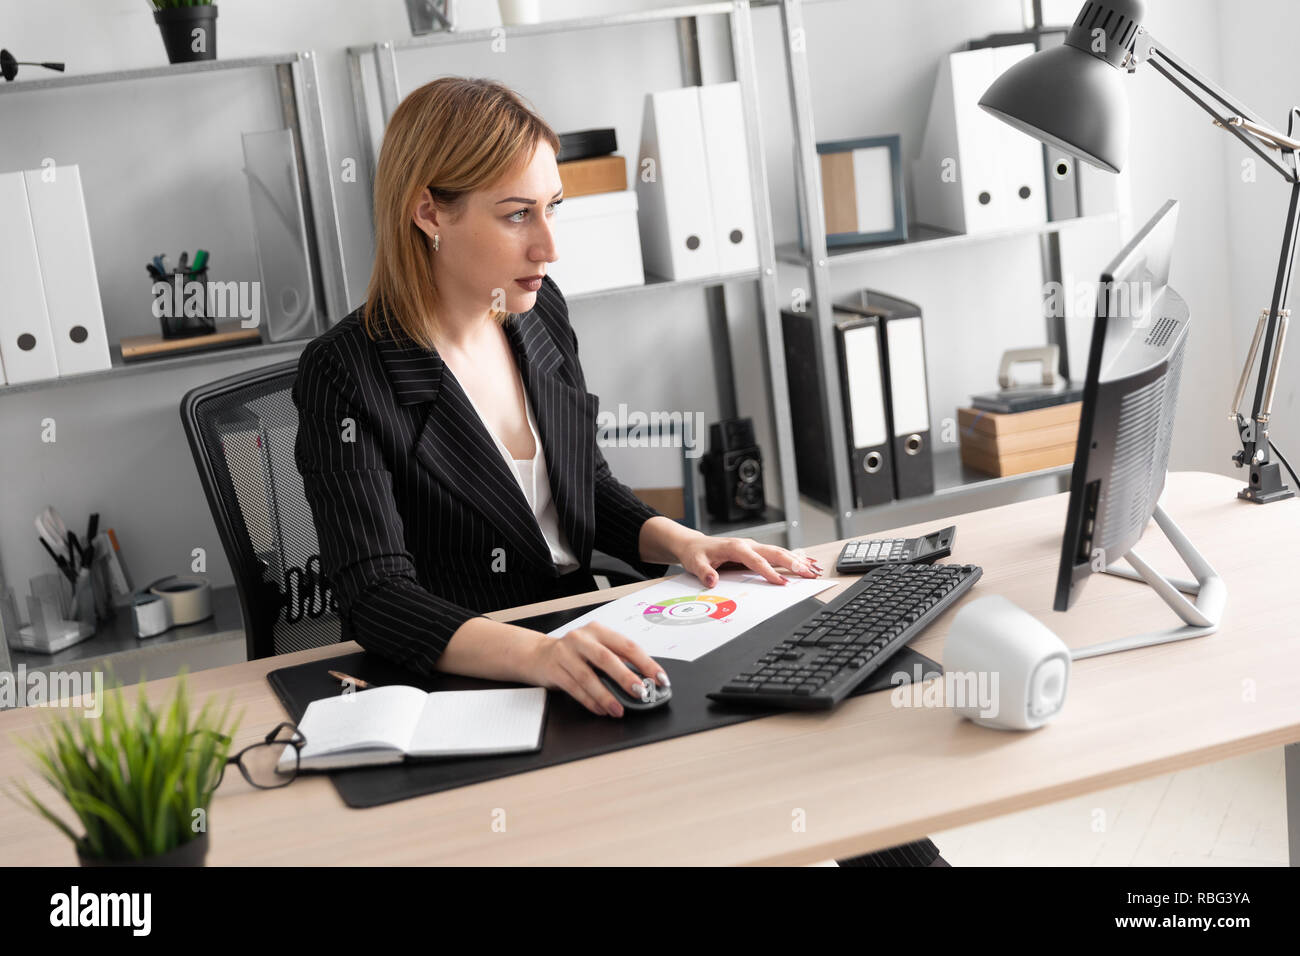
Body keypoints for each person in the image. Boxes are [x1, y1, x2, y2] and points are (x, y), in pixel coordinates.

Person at [292, 76, 945, 867]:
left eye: (553, 207)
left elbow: (585, 494)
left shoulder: (538, 313)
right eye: (515, 215)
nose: (549, 246)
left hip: (596, 636)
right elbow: (377, 598)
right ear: (429, 212)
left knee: (821, 722)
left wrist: (685, 542)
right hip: (481, 684)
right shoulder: (346, 373)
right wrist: (537, 654)